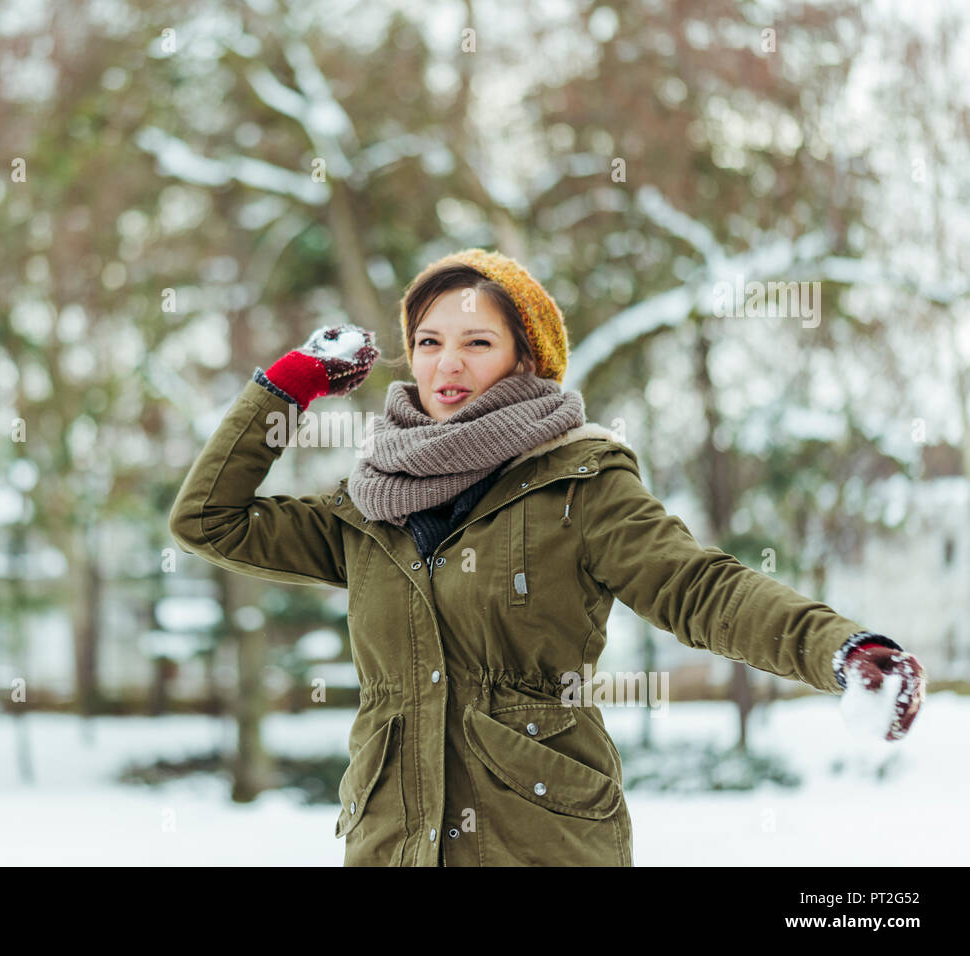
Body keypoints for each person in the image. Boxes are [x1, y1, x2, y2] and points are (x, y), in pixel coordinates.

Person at [168, 247, 926, 867]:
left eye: (476, 342)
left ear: (526, 359)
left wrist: (839, 648)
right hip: (391, 845)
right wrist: (286, 388)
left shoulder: (582, 484)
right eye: (428, 342)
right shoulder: (369, 508)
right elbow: (207, 519)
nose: (445, 365)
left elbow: (699, 587)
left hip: (541, 841)